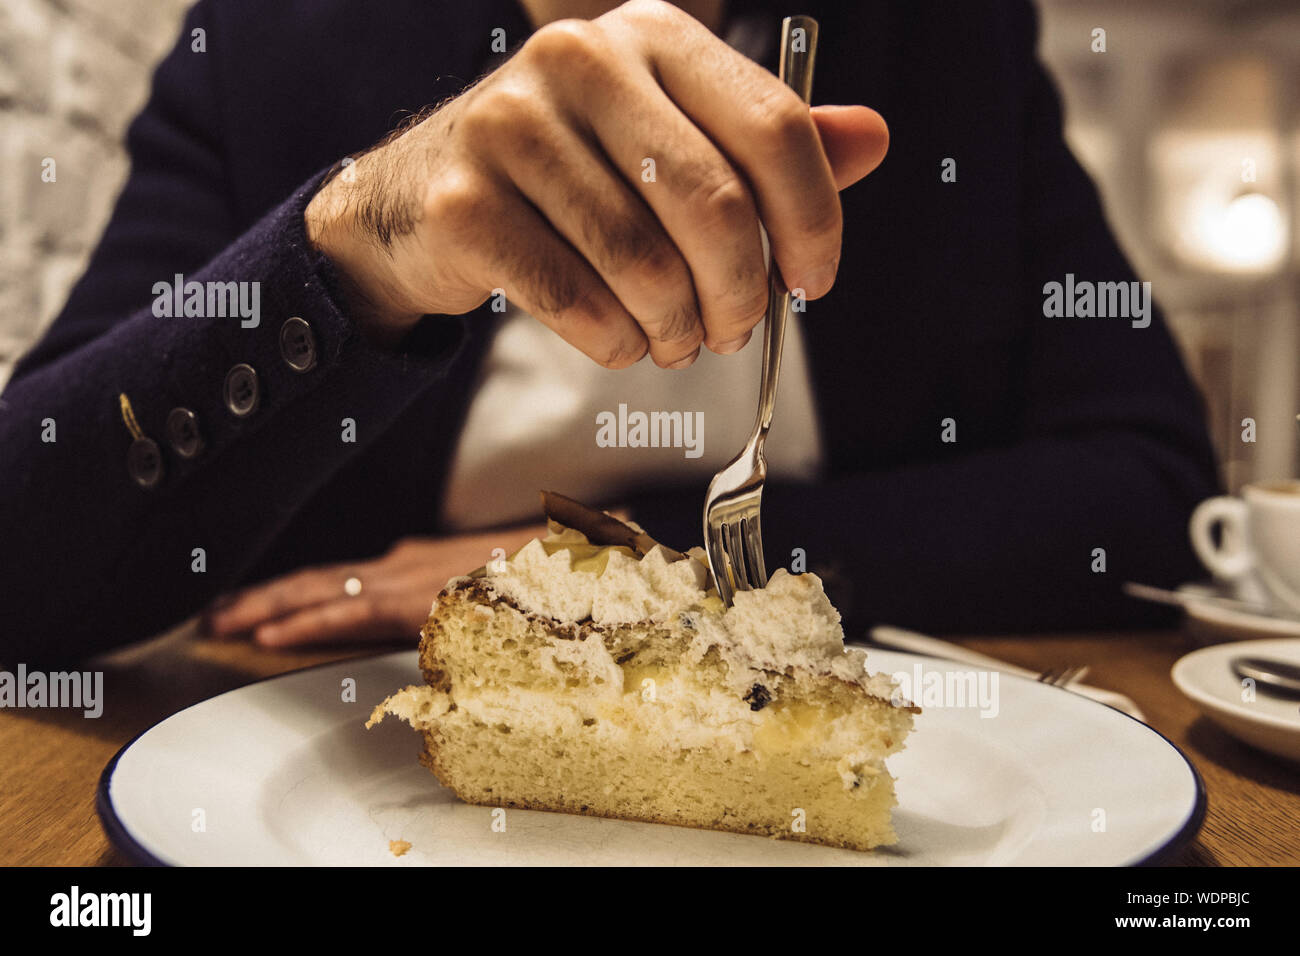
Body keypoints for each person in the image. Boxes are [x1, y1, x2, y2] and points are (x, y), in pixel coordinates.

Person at [0, 0, 1219, 664]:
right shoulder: (273, 40)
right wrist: (360, 239)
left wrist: (663, 562)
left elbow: (1150, 488)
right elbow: (22, 553)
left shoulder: (948, 41)